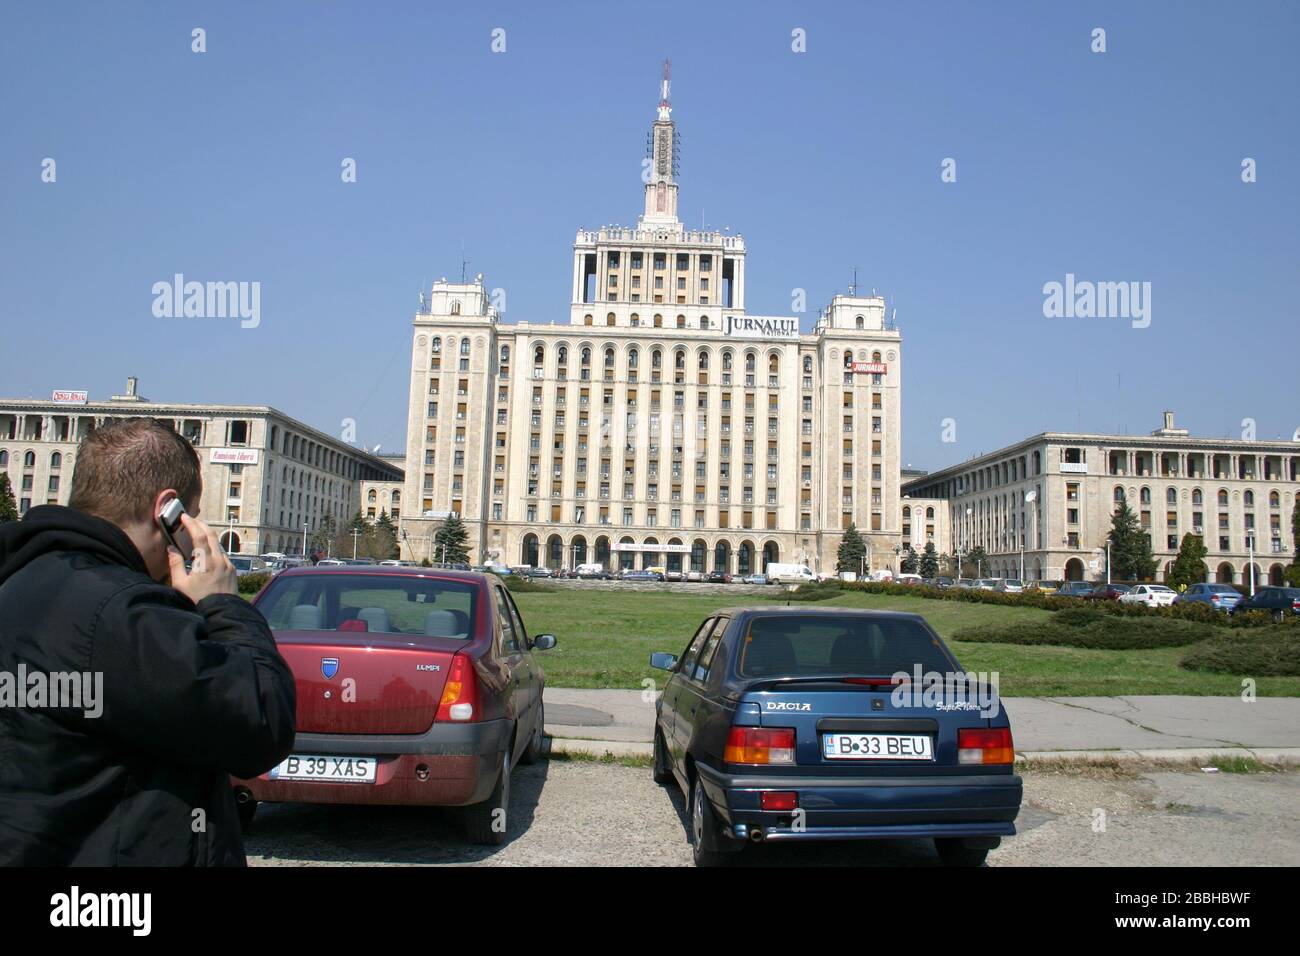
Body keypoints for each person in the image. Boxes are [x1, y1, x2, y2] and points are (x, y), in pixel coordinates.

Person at [0, 417, 296, 865]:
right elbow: (261, 724)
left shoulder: (18, 583)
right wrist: (224, 606)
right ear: (168, 511)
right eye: (190, 516)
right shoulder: (124, 616)